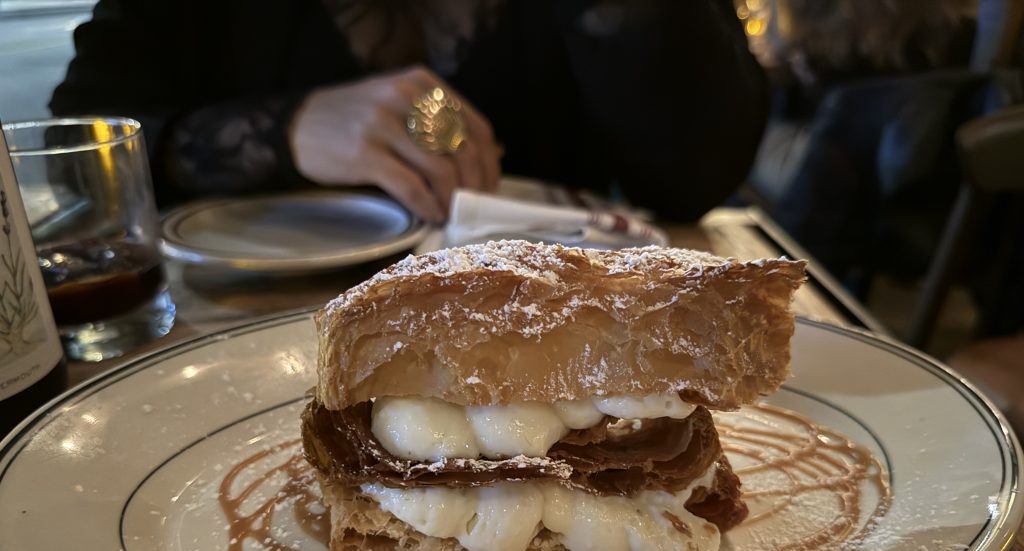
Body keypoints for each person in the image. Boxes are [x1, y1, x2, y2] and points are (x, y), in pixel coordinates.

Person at [50, 0, 769, 223]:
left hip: (548, 343)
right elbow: (77, 153)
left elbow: (697, 176)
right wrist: (288, 129)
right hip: (230, 341)